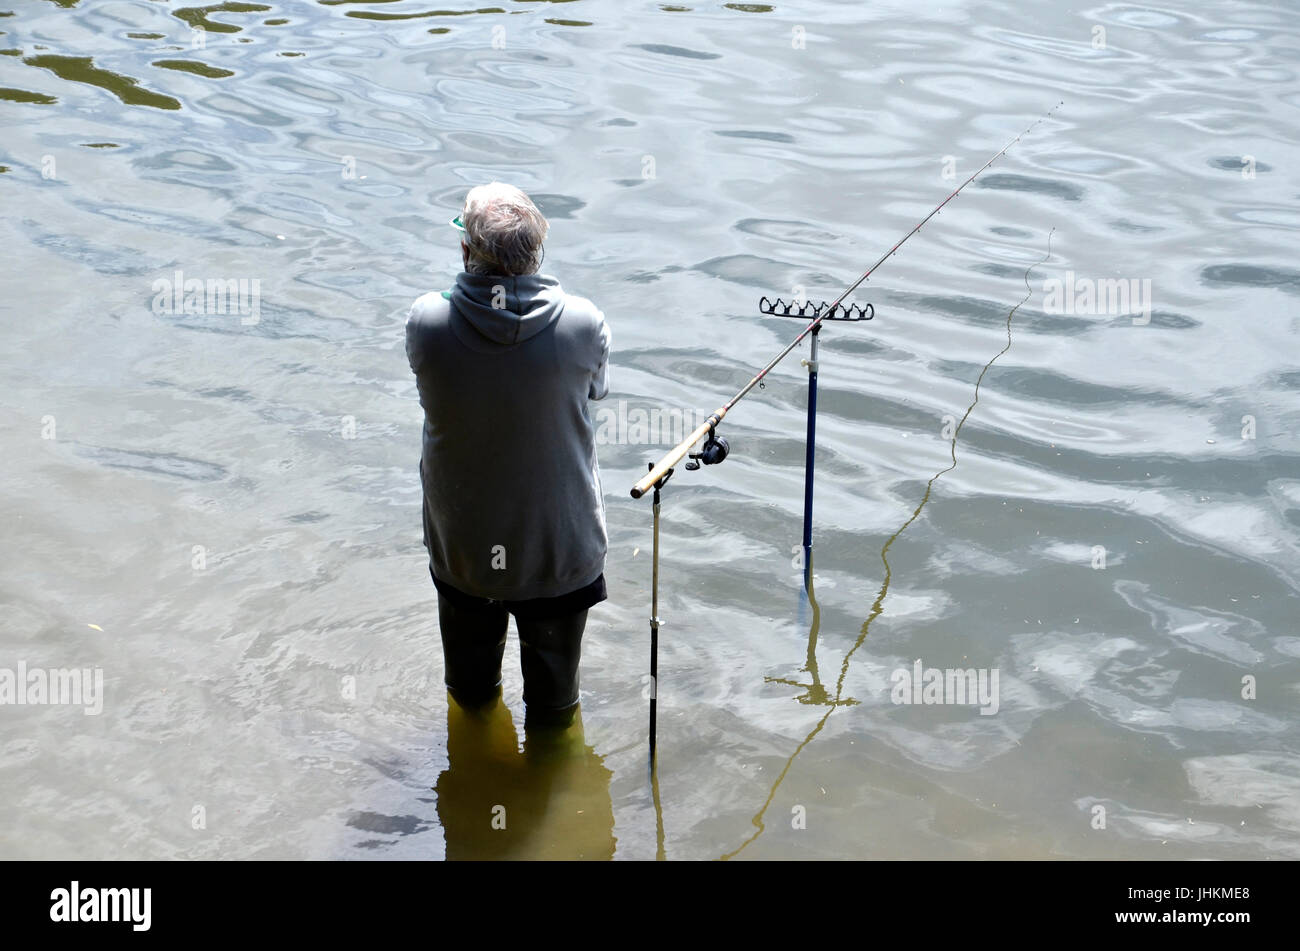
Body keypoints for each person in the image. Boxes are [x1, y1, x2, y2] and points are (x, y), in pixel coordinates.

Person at [405, 182, 611, 729]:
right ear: (537, 250)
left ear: (466, 250)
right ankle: (549, 776)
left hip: (467, 550)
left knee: (470, 697)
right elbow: (595, 390)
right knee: (555, 709)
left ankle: (474, 771)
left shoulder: (426, 321)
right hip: (557, 550)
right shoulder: (583, 322)